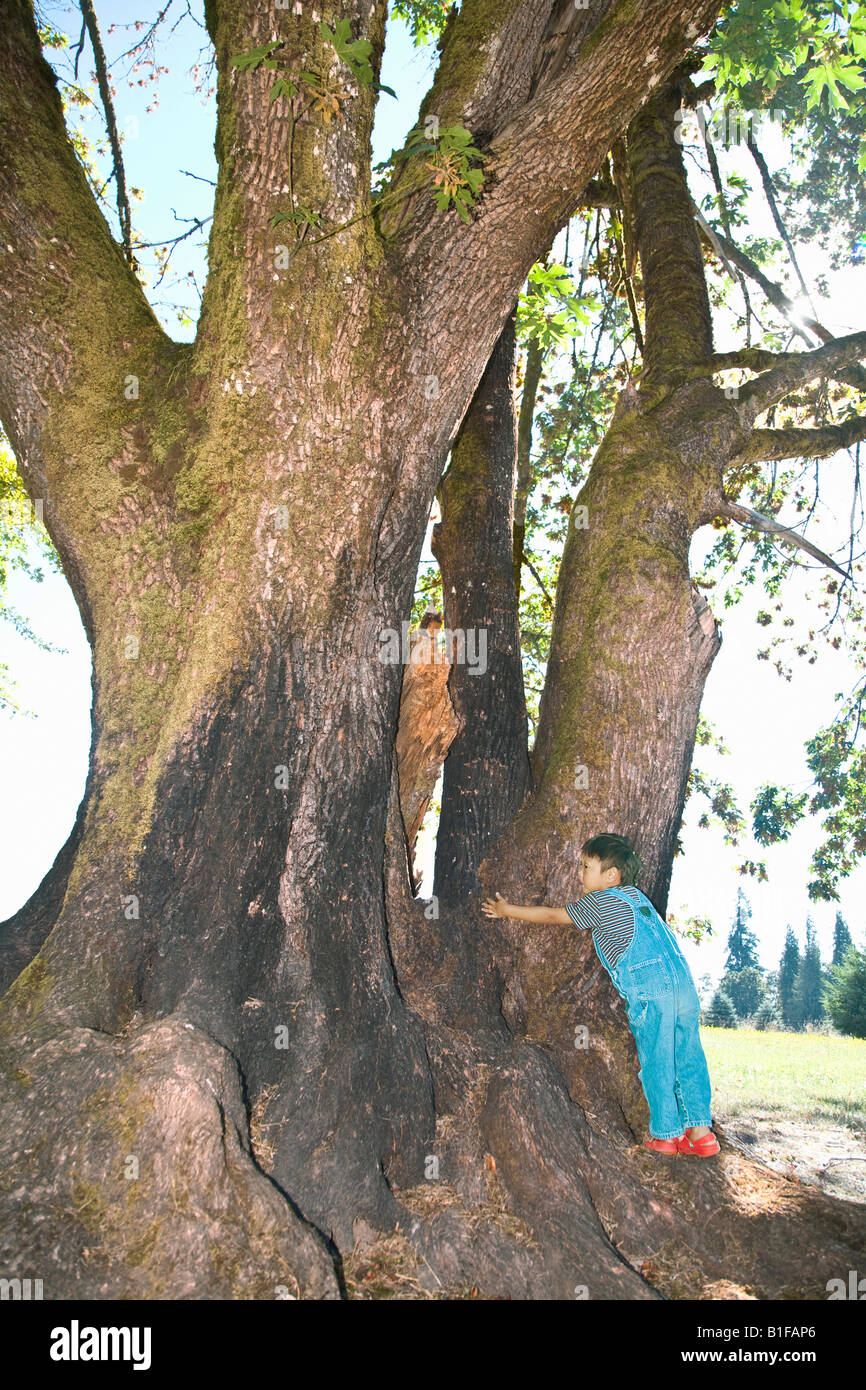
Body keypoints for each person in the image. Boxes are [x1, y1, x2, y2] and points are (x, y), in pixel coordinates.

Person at [481, 833, 720, 1157]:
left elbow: (554, 916)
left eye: (586, 866)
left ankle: (667, 1135)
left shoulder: (602, 901)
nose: (579, 873)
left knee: (658, 1060)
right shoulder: (639, 898)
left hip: (653, 991)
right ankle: (702, 1134)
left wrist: (508, 910)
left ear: (611, 875)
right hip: (684, 987)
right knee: (688, 1056)